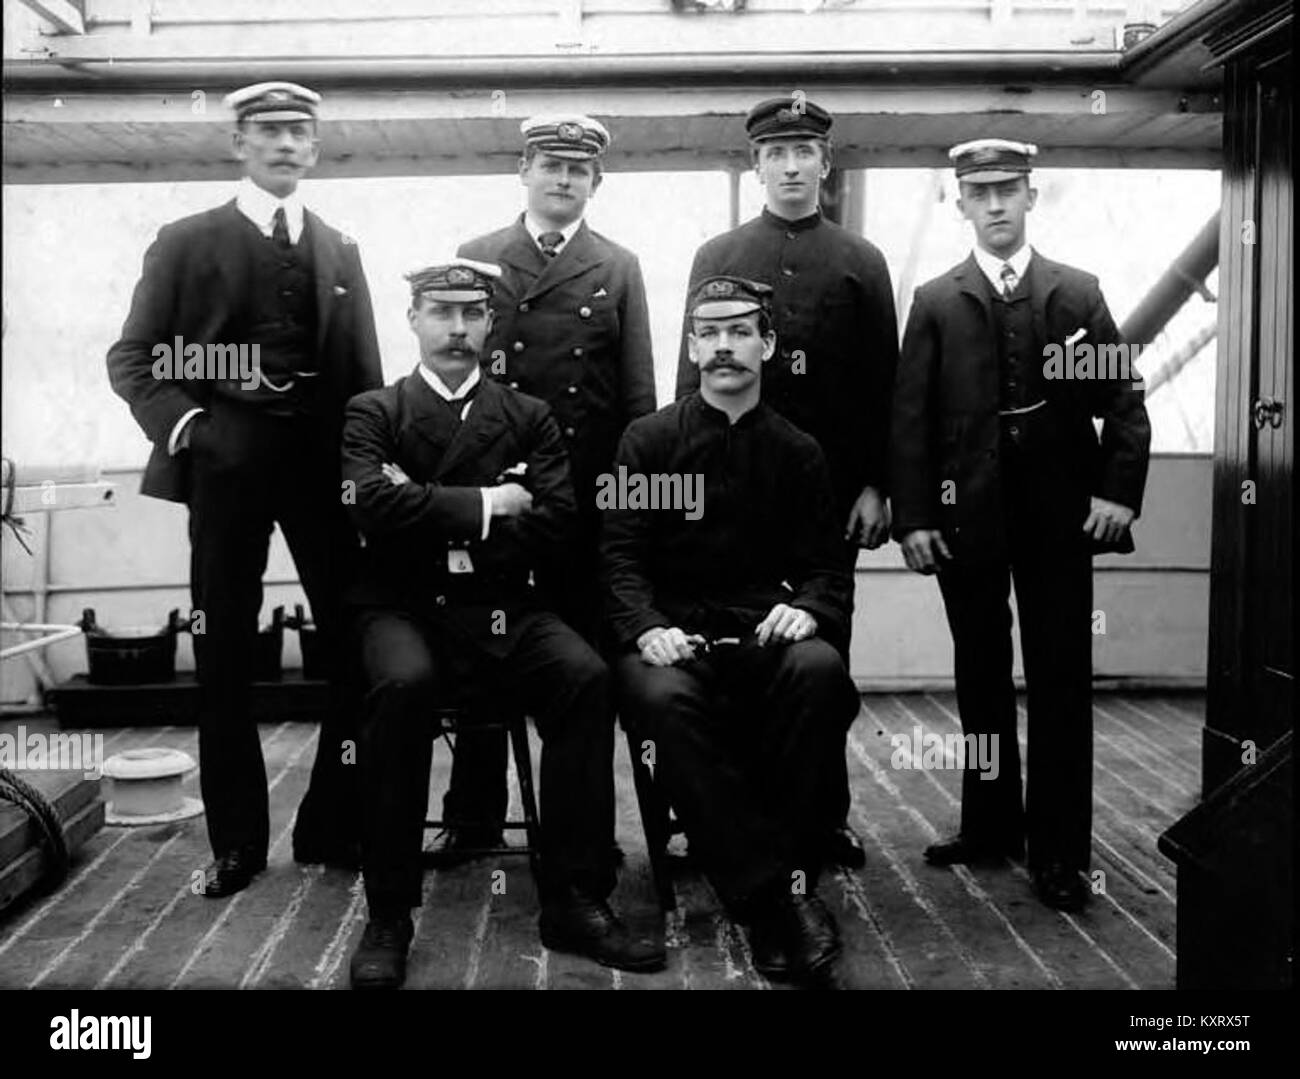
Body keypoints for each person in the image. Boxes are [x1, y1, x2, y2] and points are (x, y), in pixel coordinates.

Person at [343, 259, 664, 989]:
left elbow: (555, 523)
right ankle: (389, 910)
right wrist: (492, 503)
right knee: (401, 687)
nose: (457, 329)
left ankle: (577, 895)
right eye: (441, 313)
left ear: (491, 324)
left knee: (585, 678)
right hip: (403, 608)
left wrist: (420, 500)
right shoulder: (375, 411)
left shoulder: (529, 415)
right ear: (414, 320)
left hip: (506, 605)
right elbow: (366, 505)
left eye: (471, 314)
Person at [106, 82, 382, 897]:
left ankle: (331, 821)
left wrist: (365, 470)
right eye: (269, 131)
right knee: (225, 649)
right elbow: (137, 358)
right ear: (239, 144)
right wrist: (194, 427)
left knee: (351, 641)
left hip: (322, 472)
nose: (287, 145)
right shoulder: (188, 241)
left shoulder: (340, 248)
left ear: (317, 146)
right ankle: (236, 842)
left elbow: (361, 377)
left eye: (301, 132)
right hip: (226, 470)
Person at [890, 139, 1151, 911]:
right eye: (981, 193)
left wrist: (1117, 494)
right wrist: (915, 517)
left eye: (1009, 190)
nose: (996, 205)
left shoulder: (1077, 294)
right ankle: (990, 823)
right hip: (965, 517)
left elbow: (1125, 405)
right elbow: (911, 418)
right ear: (960, 203)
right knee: (979, 674)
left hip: (1061, 518)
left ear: (1032, 196)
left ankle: (1061, 852)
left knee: (1062, 679)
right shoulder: (937, 301)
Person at [606, 275, 860, 988]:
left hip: (761, 635)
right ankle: (777, 900)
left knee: (818, 672)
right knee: (659, 700)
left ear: (768, 344)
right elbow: (618, 557)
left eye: (740, 331)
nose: (723, 347)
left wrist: (809, 608)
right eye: (709, 333)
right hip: (672, 637)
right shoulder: (648, 440)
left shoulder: (799, 450)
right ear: (691, 345)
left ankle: (767, 890)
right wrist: (647, 627)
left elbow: (826, 567)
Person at [673, 95, 899, 870]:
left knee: (819, 654)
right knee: (723, 644)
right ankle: (717, 810)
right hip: (731, 487)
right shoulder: (718, 254)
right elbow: (687, 380)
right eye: (778, 152)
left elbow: (884, 386)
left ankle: (819, 816)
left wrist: (878, 485)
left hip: (826, 500)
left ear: (825, 163)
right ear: (757, 164)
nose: (793, 165)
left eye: (806, 150)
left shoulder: (861, 261)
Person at [438, 114, 656, 860]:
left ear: (596, 181)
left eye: (578, 169)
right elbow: (451, 381)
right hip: (493, 499)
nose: (564, 180)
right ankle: (472, 816)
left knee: (581, 669)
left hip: (581, 504)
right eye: (550, 166)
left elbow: (636, 403)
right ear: (524, 171)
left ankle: (579, 829)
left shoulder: (617, 265)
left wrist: (630, 505)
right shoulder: (476, 257)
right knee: (478, 657)